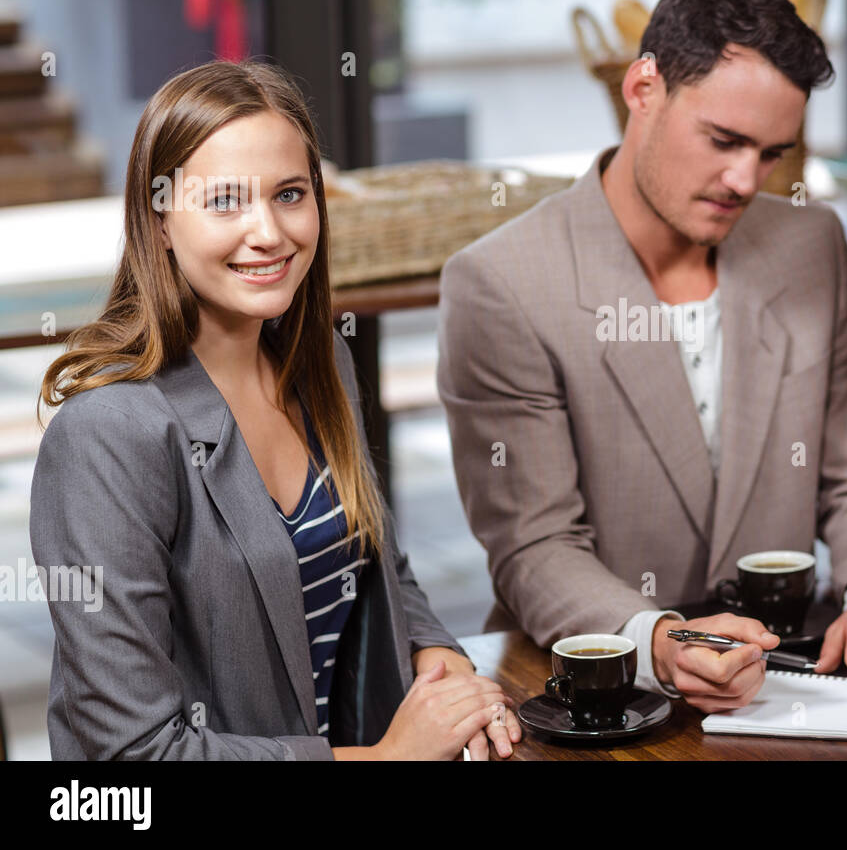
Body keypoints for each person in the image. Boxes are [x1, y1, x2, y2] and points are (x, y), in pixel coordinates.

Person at [438, 0, 847, 715]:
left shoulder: (811, 244)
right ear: (642, 89)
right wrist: (662, 642)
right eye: (724, 140)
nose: (746, 179)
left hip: (792, 673)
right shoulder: (502, 282)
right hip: (597, 692)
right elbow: (536, 547)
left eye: (774, 153)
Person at [30, 59, 522, 759]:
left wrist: (441, 662)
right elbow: (134, 756)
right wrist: (385, 760)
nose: (268, 232)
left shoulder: (320, 360)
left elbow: (375, 559)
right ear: (160, 219)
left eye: (290, 194)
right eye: (225, 201)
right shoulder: (106, 435)